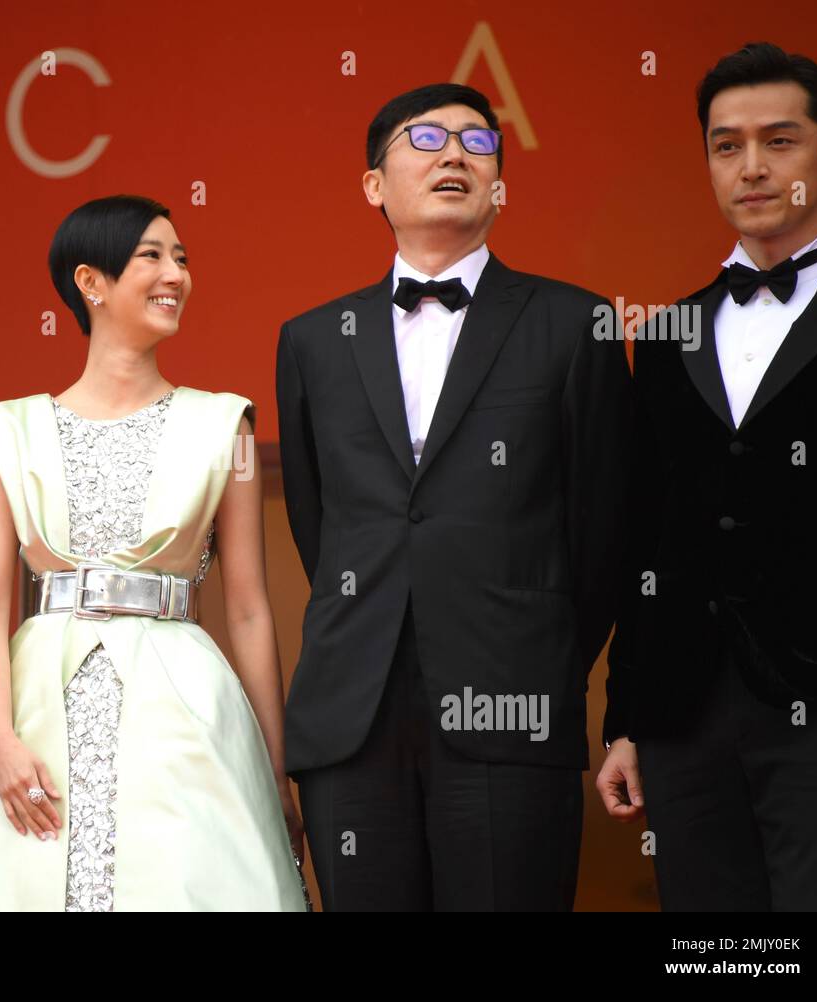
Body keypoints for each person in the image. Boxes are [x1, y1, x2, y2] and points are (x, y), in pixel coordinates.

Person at [277, 83, 633, 910]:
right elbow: (317, 523)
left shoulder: (575, 324)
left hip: (511, 704)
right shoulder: (313, 339)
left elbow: (606, 532)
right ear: (374, 184)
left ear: (500, 184)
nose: (455, 156)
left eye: (478, 143)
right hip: (352, 715)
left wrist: (534, 647)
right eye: (427, 138)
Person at [0, 195, 308, 911]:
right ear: (90, 282)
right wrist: (2, 742)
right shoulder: (12, 430)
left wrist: (275, 773)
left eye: (182, 259)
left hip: (184, 707)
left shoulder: (221, 424)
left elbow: (249, 611)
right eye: (152, 256)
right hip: (34, 709)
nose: (176, 275)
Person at [598, 42, 817, 910]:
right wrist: (625, 719)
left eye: (780, 141)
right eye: (726, 144)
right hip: (685, 711)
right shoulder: (667, 336)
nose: (751, 167)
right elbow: (646, 535)